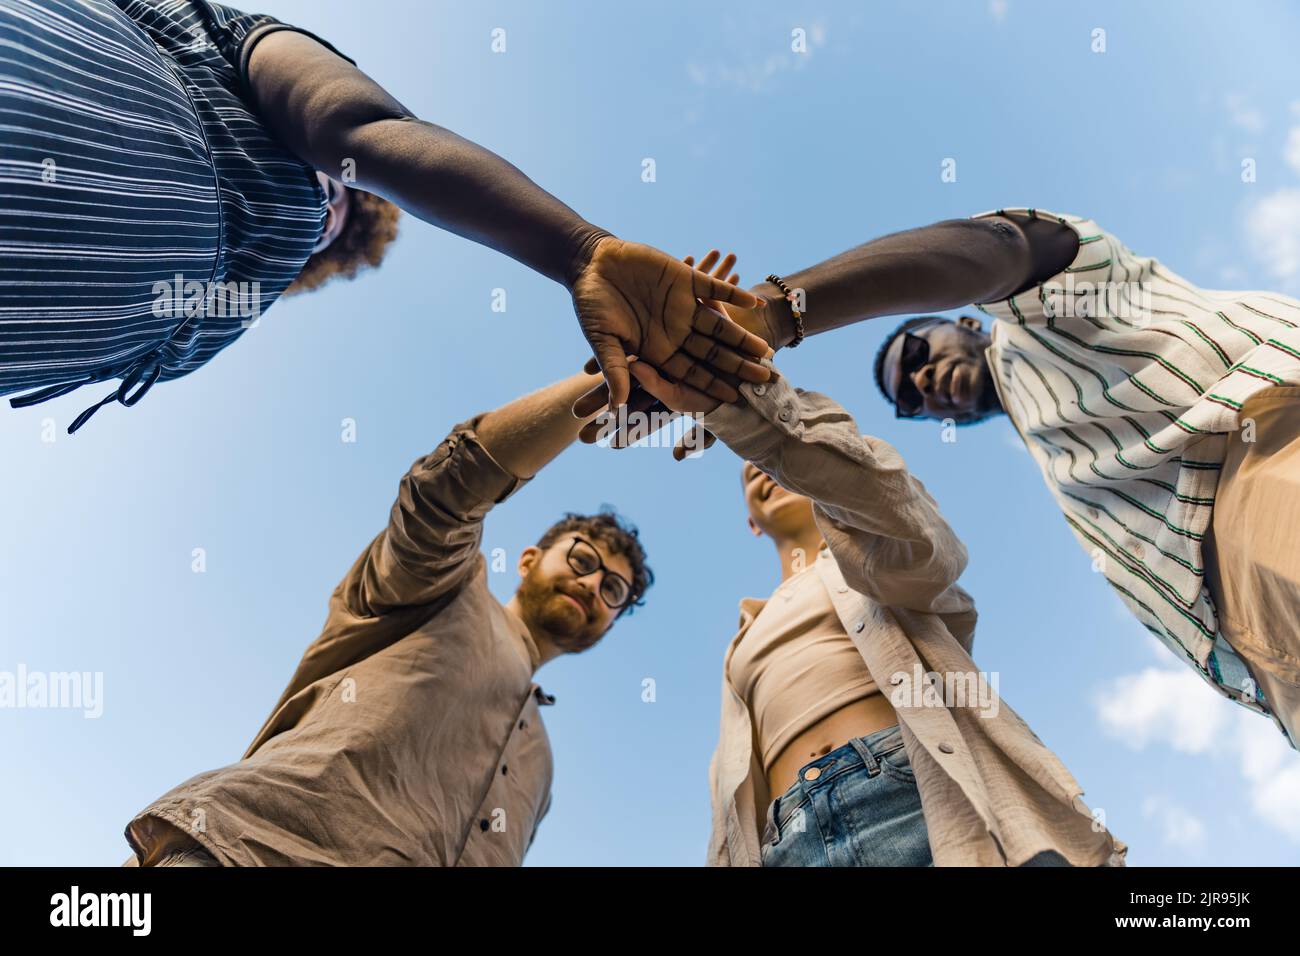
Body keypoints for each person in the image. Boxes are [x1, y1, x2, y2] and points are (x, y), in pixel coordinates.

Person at [587, 212, 1300, 748]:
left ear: (967, 319)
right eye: (911, 397)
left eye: (919, 351)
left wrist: (775, 313)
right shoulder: (1052, 453)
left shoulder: (1041, 315)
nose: (925, 381)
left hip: (1266, 455)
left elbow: (999, 248)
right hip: (1248, 643)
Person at [1, 0, 767, 434]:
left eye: (337, 209)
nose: (328, 193)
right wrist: (578, 250)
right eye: (335, 186)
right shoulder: (206, 38)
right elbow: (359, 131)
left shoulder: (221, 308)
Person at [618, 268, 1125, 865]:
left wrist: (742, 399)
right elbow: (730, 802)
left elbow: (902, 522)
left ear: (811, 485)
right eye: (751, 478)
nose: (762, 474)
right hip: (787, 842)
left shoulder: (879, 559)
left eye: (776, 469)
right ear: (752, 521)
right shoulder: (742, 641)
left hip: (915, 798)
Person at [123, 368, 651, 865]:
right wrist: (612, 379)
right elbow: (446, 493)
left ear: (609, 624)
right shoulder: (446, 583)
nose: (590, 583)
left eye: (612, 589)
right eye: (582, 559)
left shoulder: (544, 772)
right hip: (253, 850)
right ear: (530, 559)